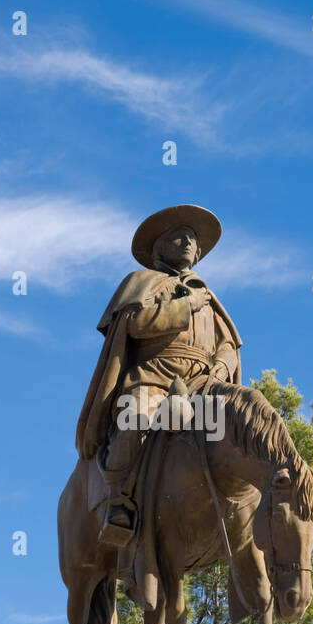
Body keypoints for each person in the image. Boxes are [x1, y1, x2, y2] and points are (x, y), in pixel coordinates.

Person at [74, 204, 242, 546]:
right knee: (135, 419)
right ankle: (118, 499)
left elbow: (229, 344)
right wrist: (185, 306)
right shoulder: (142, 283)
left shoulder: (209, 297)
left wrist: (223, 366)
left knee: (247, 427)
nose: (187, 242)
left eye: (192, 239)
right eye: (177, 236)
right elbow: (135, 324)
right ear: (158, 248)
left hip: (205, 382)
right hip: (153, 377)